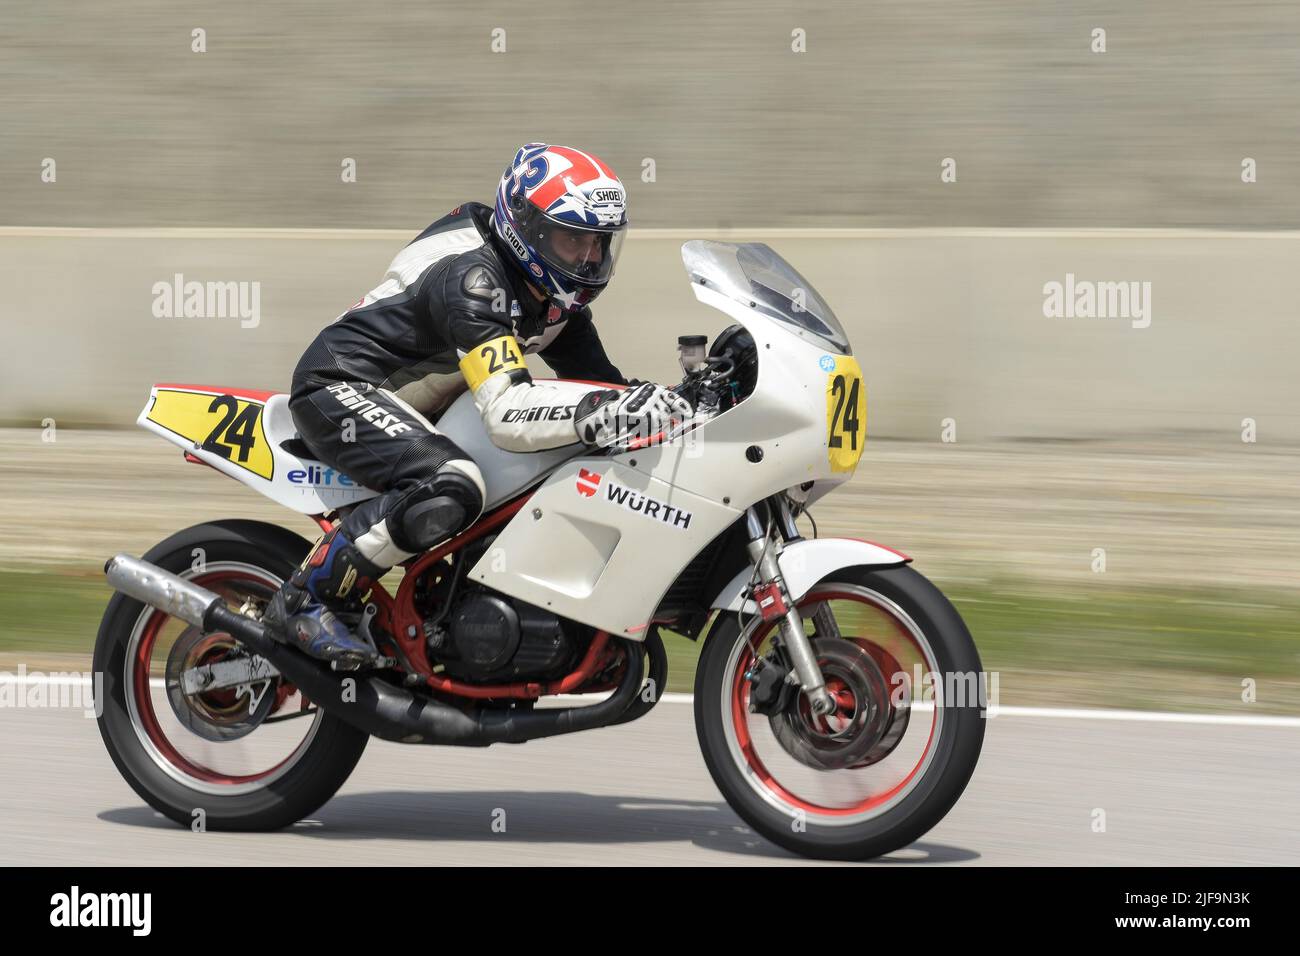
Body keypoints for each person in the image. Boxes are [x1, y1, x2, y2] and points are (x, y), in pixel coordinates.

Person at [263, 143, 690, 667]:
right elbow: (510, 414)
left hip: (424, 408)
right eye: (572, 237)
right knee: (450, 484)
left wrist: (683, 401)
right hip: (340, 387)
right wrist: (596, 413)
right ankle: (307, 598)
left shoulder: (551, 300)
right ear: (526, 227)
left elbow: (608, 389)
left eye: (598, 242)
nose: (588, 257)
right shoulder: (475, 281)